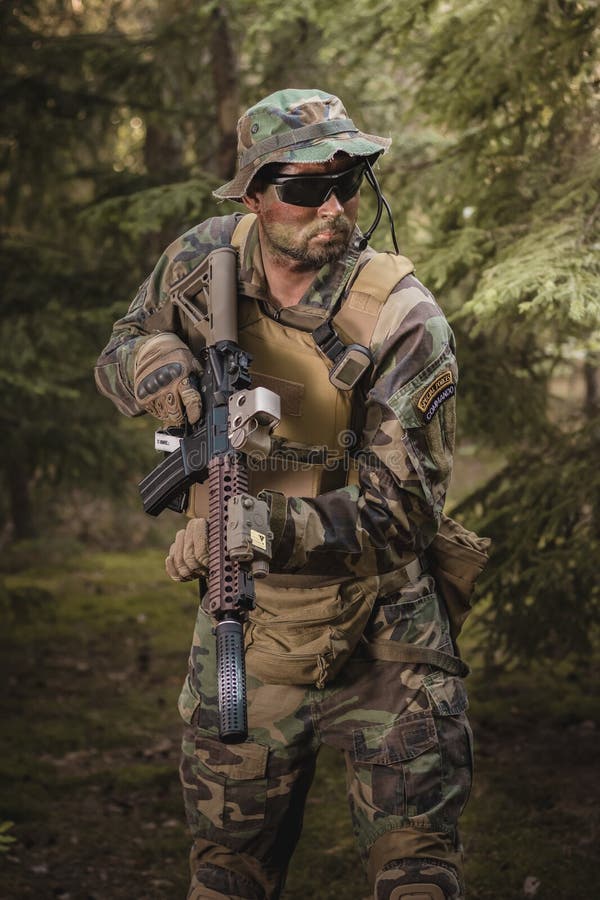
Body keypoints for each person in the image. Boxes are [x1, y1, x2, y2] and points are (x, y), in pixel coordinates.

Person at [95, 89, 474, 900]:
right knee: (227, 874)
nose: (334, 207)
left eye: (352, 180)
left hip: (387, 637)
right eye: (306, 188)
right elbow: (121, 345)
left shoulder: (403, 318)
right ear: (256, 193)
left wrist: (252, 525)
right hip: (249, 624)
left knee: (417, 874)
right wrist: (154, 365)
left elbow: (402, 517)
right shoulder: (204, 257)